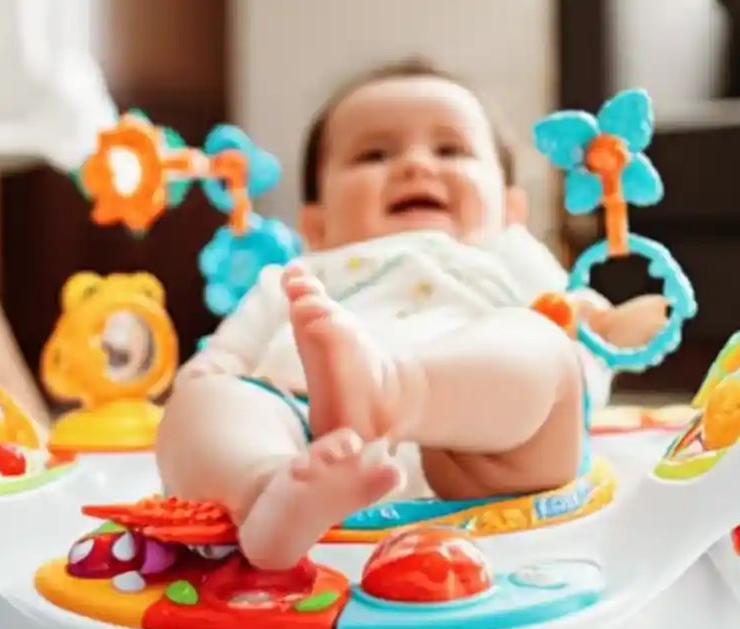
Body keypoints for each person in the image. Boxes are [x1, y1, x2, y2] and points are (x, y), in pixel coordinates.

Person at [155, 57, 668, 570]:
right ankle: (267, 489)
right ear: (316, 224)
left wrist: (613, 324)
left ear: (511, 210)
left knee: (542, 343)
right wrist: (206, 386)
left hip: (484, 457)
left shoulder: (510, 258)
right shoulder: (300, 275)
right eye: (373, 154)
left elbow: (593, 337)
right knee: (209, 403)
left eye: (451, 150)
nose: (416, 165)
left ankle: (391, 391)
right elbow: (224, 359)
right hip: (301, 432)